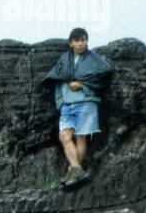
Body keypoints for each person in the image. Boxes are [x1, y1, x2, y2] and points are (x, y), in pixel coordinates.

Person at [40, 28, 111, 187]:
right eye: (77, 40)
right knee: (64, 136)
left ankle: (74, 173)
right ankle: (77, 170)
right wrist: (60, 101)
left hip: (86, 102)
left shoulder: (94, 60)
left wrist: (81, 85)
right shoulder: (65, 59)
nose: (80, 43)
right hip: (67, 104)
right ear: (71, 42)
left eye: (83, 40)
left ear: (86, 41)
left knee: (80, 137)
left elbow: (102, 78)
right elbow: (57, 79)